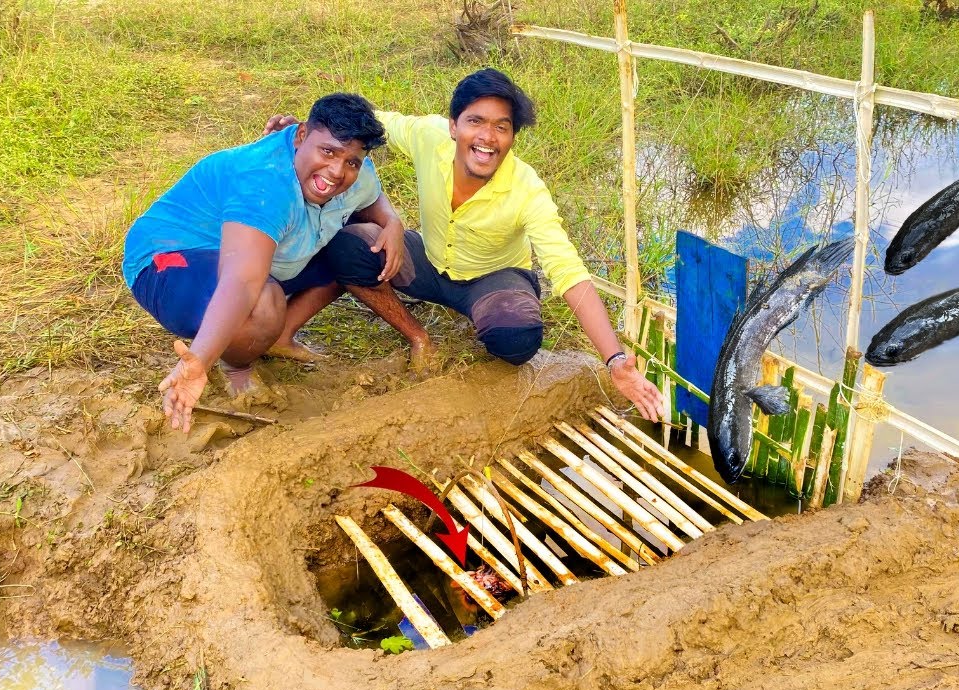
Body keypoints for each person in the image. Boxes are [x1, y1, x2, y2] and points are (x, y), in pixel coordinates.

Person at [265, 69, 666, 421]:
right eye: (476, 121)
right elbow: (368, 124)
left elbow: (570, 274)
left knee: (516, 340)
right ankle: (418, 335)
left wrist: (615, 359)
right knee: (349, 247)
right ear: (454, 125)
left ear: (512, 137)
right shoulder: (427, 135)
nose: (487, 138)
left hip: (493, 279)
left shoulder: (528, 191)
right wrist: (303, 127)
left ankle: (481, 314)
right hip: (429, 262)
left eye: (502, 127)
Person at [123, 93, 406, 432]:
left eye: (351, 161)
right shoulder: (263, 183)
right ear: (301, 136)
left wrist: (392, 223)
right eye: (327, 151)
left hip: (253, 251)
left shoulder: (352, 168)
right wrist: (200, 360)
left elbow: (371, 196)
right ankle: (236, 363)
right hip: (168, 262)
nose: (336, 171)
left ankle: (279, 337)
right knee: (261, 300)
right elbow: (241, 281)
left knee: (354, 247)